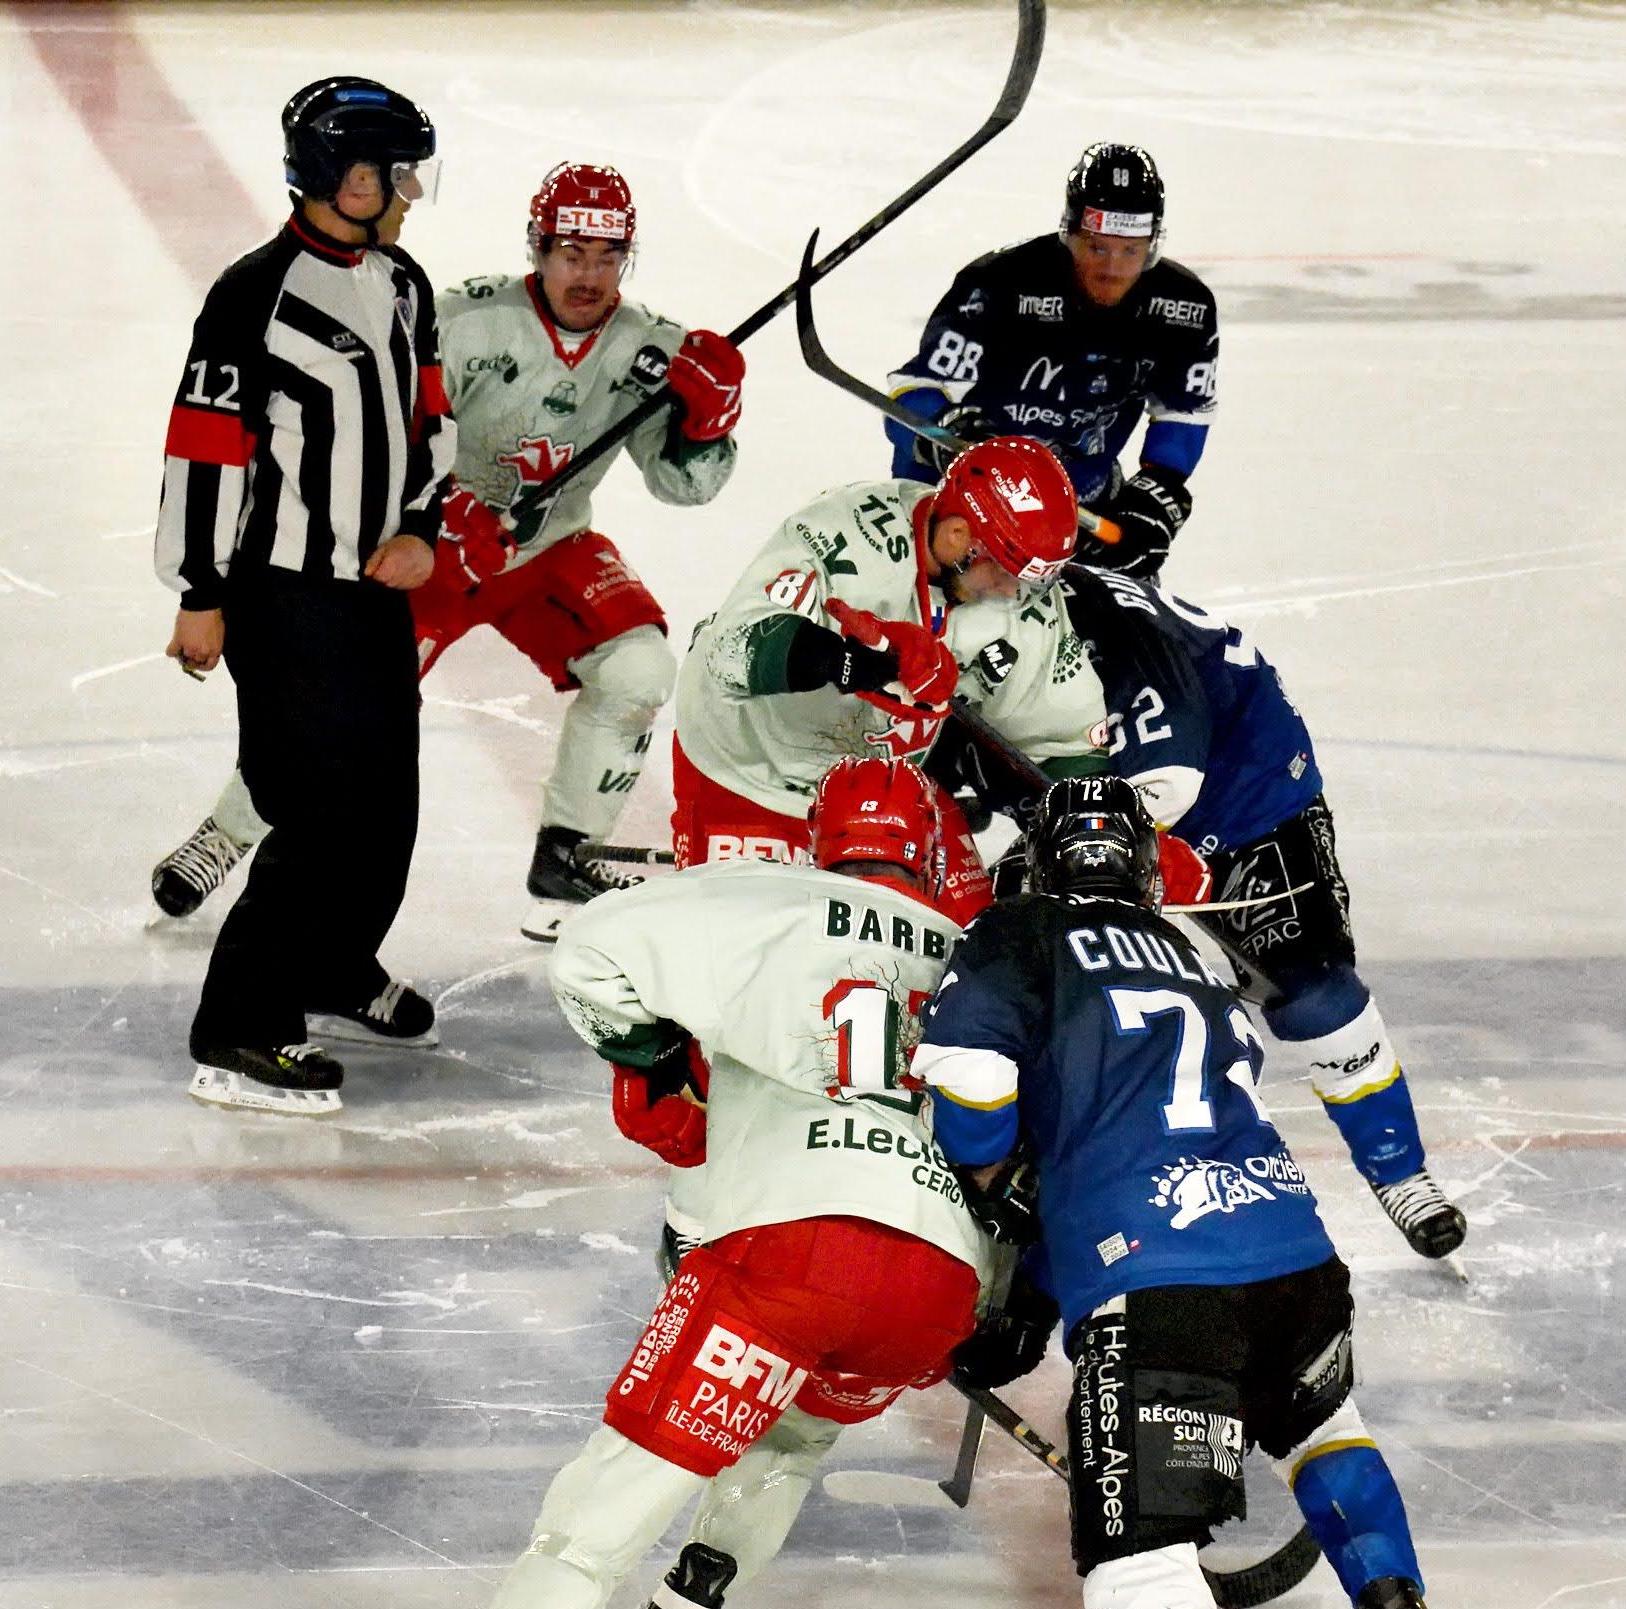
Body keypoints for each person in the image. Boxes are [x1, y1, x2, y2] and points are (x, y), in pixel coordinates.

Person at [314, 758, 989, 1609]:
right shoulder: (981, 951)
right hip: (938, 1280)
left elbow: (593, 951)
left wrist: (660, 1053)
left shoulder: (767, 896)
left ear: (820, 834)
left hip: (793, 1243)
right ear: (929, 852)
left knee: (611, 1492)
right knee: (796, 1439)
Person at [908, 776, 1467, 1609]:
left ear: (1045, 863)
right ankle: (1396, 1603)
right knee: (1322, 1424)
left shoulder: (1020, 931)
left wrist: (998, 1191)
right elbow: (1137, 1114)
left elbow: (973, 1090)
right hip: (1294, 1254)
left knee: (1136, 1563)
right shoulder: (1189, 949)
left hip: (1159, 1287)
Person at [151, 162, 751, 943]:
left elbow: (683, 488)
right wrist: (445, 514)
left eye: (608, 259)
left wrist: (706, 425)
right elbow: (386, 433)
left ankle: (567, 854)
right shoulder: (462, 318)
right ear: (537, 248)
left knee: (638, 669)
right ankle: (227, 834)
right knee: (341, 709)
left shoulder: (650, 350)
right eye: (572, 253)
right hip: (431, 549)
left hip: (549, 547)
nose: (589, 276)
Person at [159, 77, 504, 1116]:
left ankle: (332, 962)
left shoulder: (402, 282)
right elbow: (206, 453)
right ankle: (238, 1027)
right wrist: (201, 590)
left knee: (384, 798)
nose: (409, 194)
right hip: (278, 594)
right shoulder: (252, 295)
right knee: (315, 811)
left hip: (370, 593)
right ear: (345, 177)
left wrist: (423, 529)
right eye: (397, 174)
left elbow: (430, 419)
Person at [965, 566, 1467, 1257]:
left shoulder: (1126, 653)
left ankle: (1400, 1170)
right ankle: (1002, 1178)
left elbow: (1164, 783)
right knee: (998, 958)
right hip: (1108, 796)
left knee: (1314, 992)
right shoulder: (1000, 612)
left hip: (1242, 807)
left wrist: (1139, 856)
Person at [668, 433, 1110, 885]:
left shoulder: (1017, 593)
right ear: (959, 537)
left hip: (888, 793)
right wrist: (846, 660)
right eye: (1003, 574)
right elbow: (730, 652)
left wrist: (1104, 826)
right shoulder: (846, 532)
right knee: (744, 942)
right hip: (750, 772)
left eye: (1030, 583)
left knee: (959, 937)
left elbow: (1065, 741)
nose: (1013, 594)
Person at [884, 143, 1218, 579]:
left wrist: (1159, 491)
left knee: (1118, 633)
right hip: (961, 506)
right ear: (1071, 233)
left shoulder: (1183, 309)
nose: (1114, 269)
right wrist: (949, 432)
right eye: (1098, 249)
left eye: (1131, 251)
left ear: (1152, 244)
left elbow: (1183, 410)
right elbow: (914, 393)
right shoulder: (999, 284)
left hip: (1073, 503)